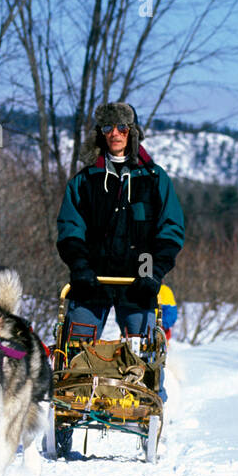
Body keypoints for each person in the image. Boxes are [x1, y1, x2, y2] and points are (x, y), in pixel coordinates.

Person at [56, 102, 185, 343]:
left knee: (144, 362)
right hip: (90, 283)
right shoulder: (84, 181)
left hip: (139, 283)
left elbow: (171, 230)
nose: (115, 133)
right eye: (107, 127)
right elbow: (70, 229)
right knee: (76, 356)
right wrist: (80, 267)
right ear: (100, 133)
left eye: (122, 127)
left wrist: (153, 272)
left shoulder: (155, 179)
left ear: (132, 131)